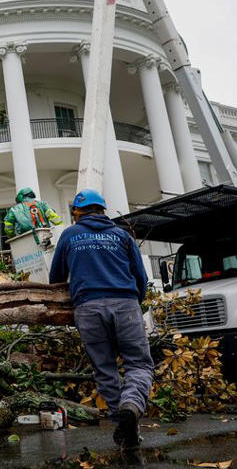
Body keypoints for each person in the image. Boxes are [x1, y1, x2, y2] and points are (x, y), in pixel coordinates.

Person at [48, 189, 153, 450]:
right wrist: (132, 304)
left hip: (88, 308)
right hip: (126, 304)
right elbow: (140, 278)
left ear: (77, 213)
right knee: (139, 364)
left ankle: (124, 423)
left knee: (105, 369)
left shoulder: (70, 235)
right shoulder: (122, 235)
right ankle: (132, 405)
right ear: (103, 210)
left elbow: (56, 278)